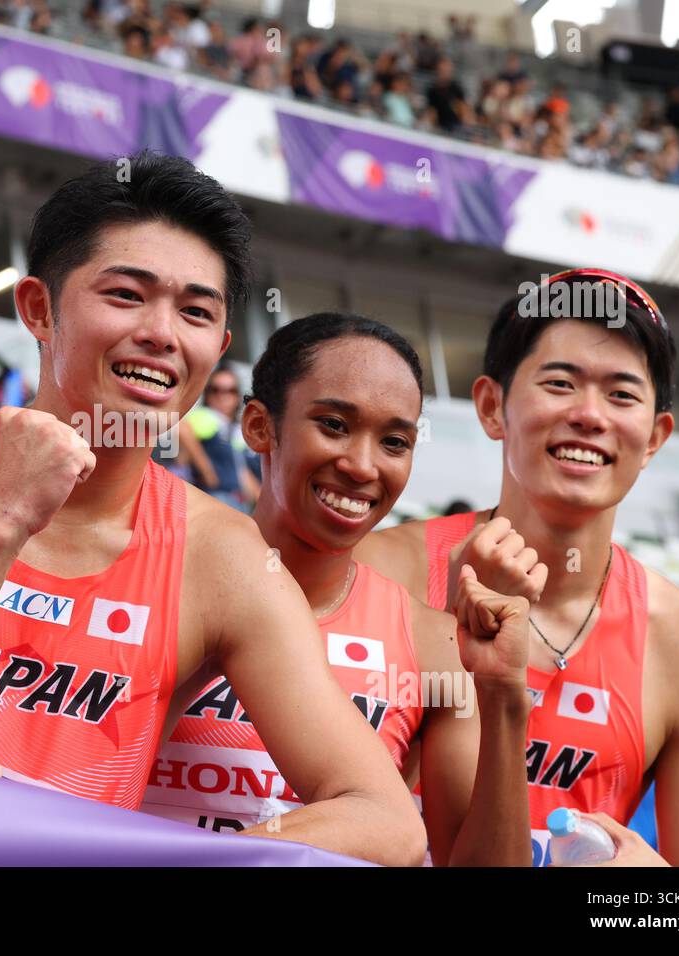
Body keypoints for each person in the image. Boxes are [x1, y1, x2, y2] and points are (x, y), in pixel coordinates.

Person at [0, 152, 426, 864]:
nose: (162, 333)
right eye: (125, 294)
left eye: (196, 312)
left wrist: (148, 860)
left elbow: (385, 822)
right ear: (38, 309)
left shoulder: (223, 556)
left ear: (218, 347)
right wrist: (0, 520)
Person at [355, 269, 679, 866]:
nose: (590, 416)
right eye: (560, 383)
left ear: (655, 438)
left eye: (622, 394)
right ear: (491, 406)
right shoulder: (376, 573)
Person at [142, 314, 532, 866]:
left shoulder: (431, 644)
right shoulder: (155, 584)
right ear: (258, 426)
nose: (361, 465)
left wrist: (505, 697)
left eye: (394, 441)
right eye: (333, 425)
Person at [178, 363, 258, 511]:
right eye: (216, 390)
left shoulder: (234, 428)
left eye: (230, 390)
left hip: (239, 502)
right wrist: (208, 472)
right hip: (216, 498)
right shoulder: (204, 417)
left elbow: (240, 469)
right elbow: (181, 428)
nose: (223, 396)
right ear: (207, 394)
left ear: (237, 396)